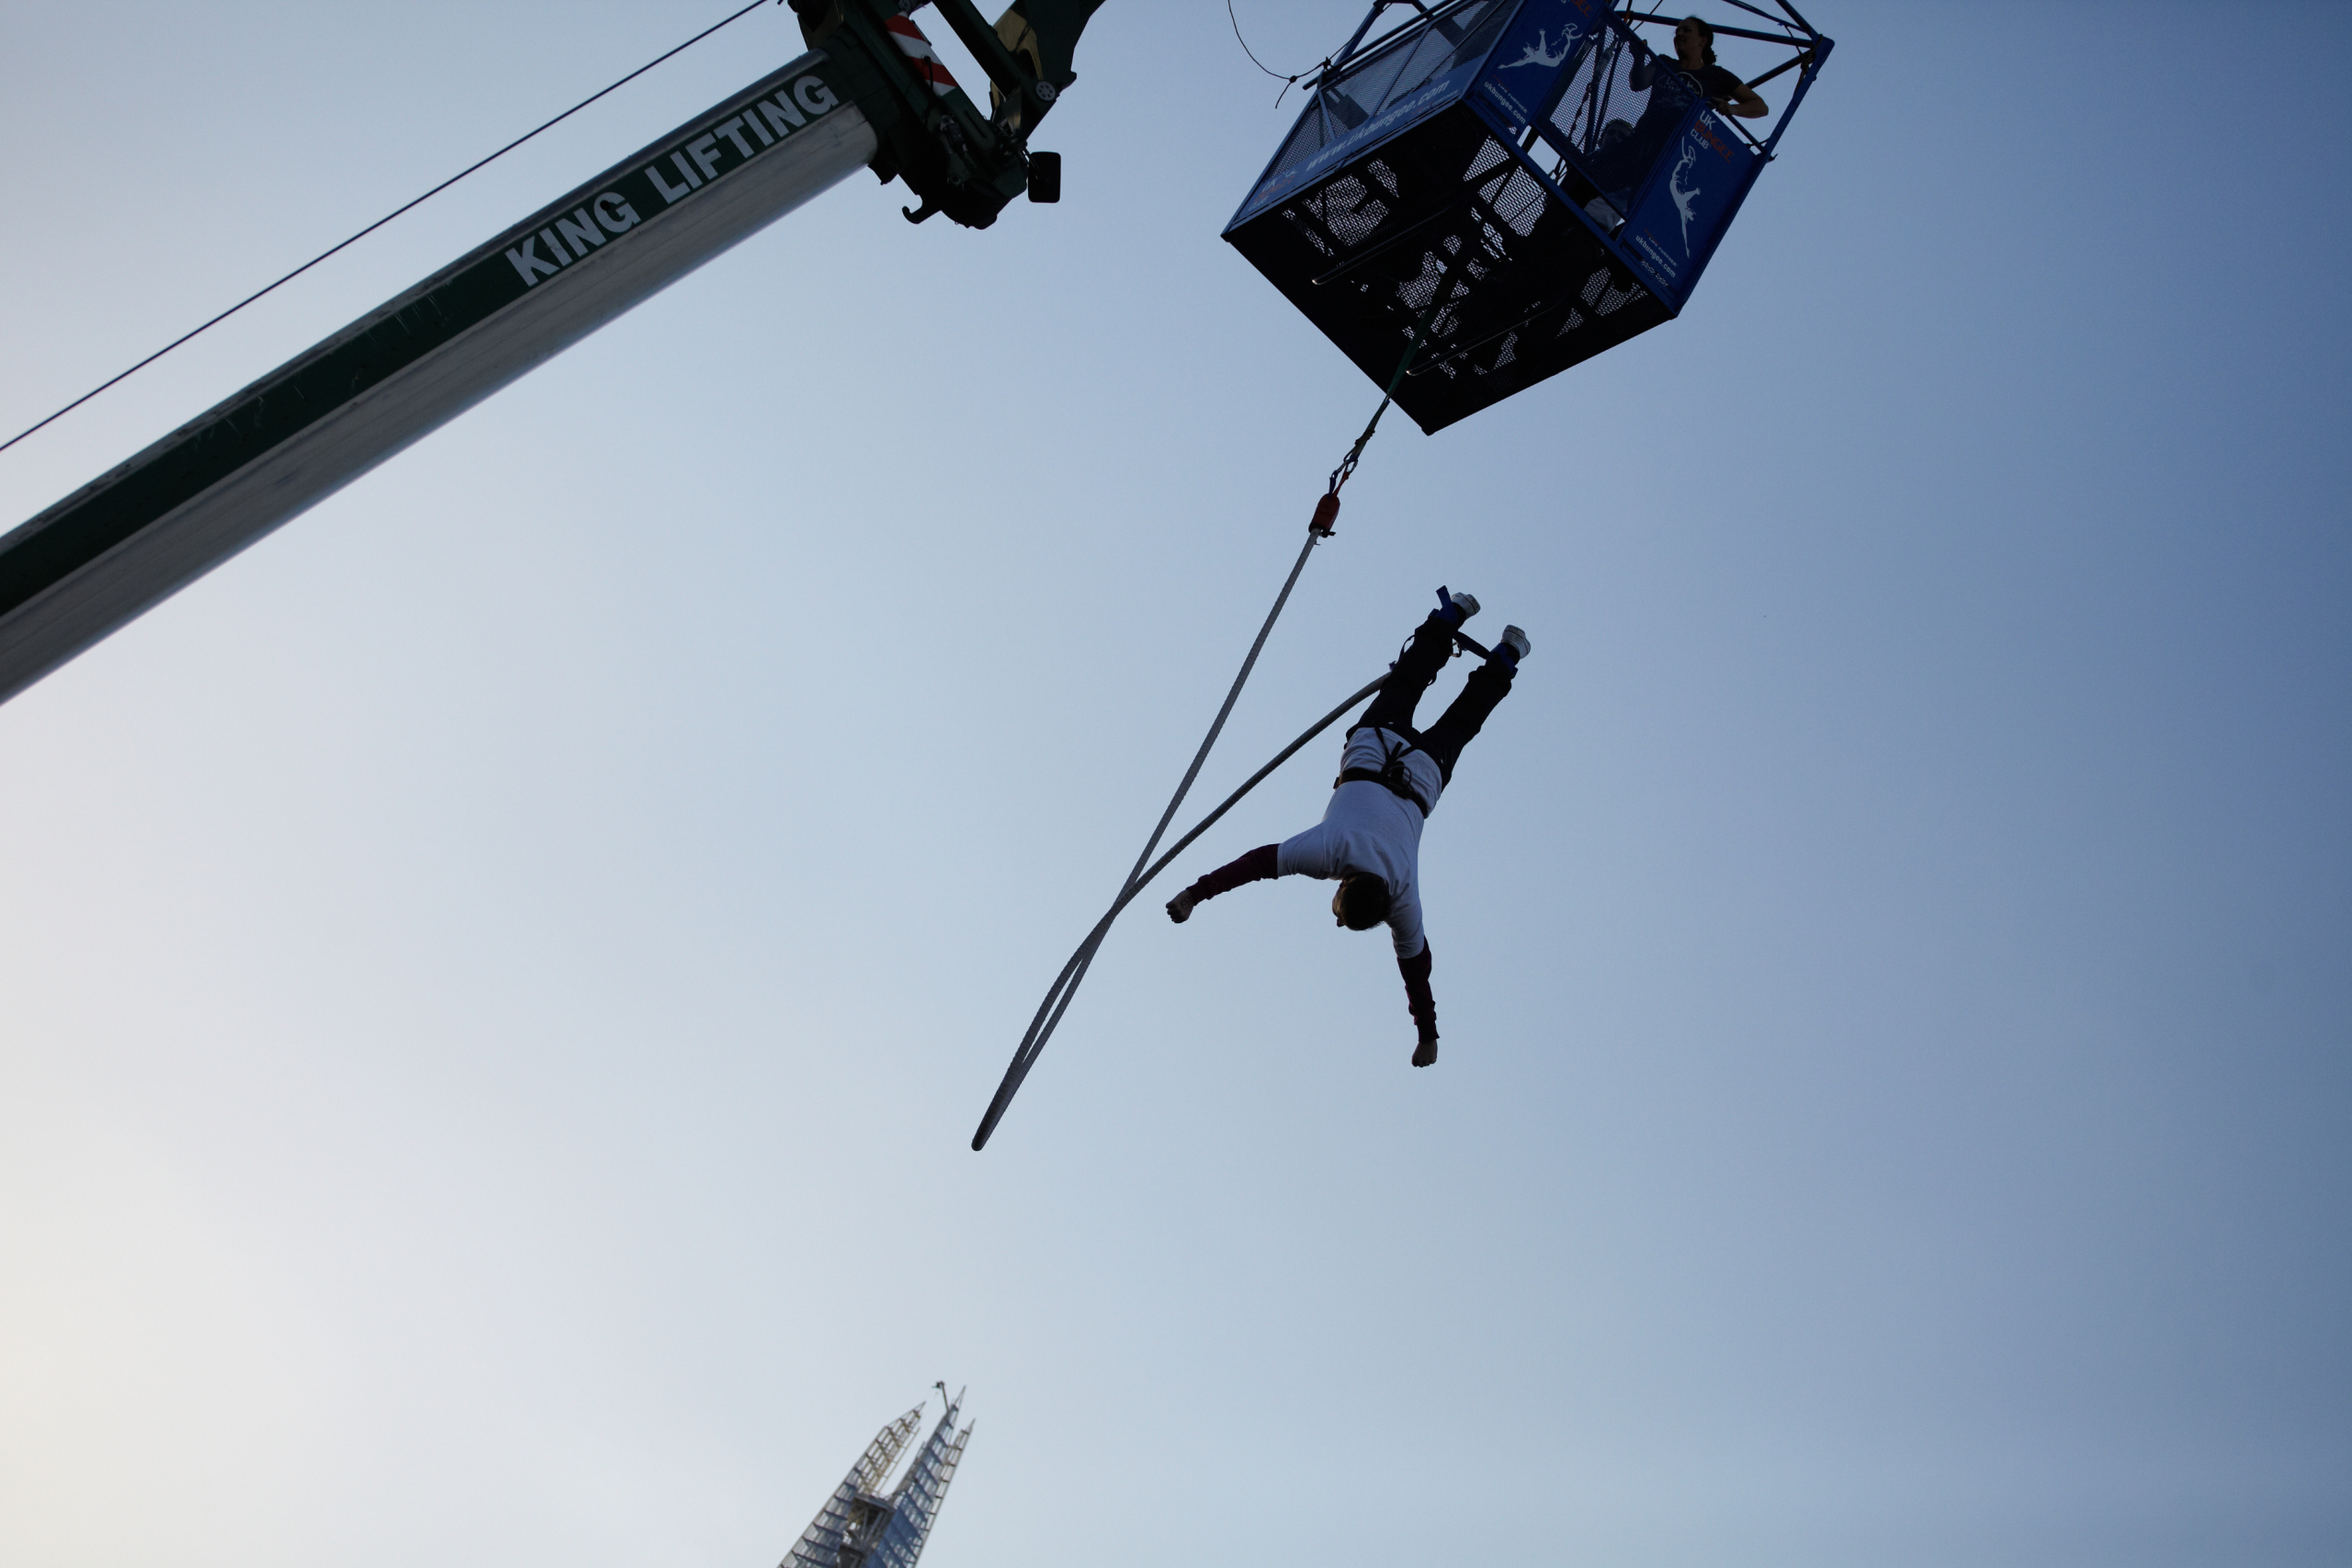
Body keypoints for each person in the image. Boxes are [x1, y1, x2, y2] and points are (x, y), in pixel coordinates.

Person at [1164, 591, 1531, 1068]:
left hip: (1422, 775)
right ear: (1342, 892)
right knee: (1410, 680)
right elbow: (1253, 865)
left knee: (1460, 718)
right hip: (1373, 747)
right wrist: (1194, 895)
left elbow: (1417, 971)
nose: (1334, 917)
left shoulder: (1403, 897)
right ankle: (1453, 615)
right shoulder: (1326, 853)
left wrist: (1429, 1036)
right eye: (1339, 913)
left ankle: (1507, 651)